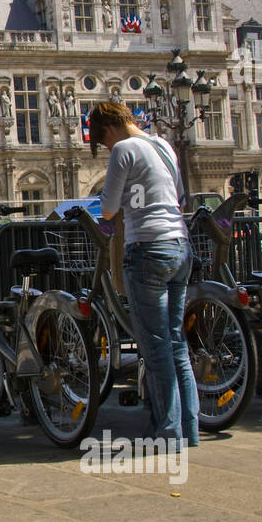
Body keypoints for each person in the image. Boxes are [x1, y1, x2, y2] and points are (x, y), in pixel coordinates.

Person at [90, 101, 199, 447]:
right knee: (176, 343)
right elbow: (178, 196)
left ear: (107, 130)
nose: (106, 148)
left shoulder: (123, 148)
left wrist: (120, 201)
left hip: (147, 248)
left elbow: (107, 208)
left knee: (154, 348)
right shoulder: (164, 144)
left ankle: (168, 431)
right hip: (180, 246)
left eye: (101, 142)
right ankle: (189, 429)